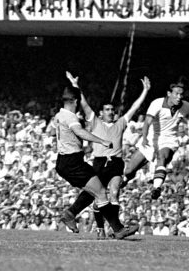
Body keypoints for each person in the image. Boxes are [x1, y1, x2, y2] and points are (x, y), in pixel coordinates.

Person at [66, 72, 151, 238]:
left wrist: (145, 91)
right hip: (100, 162)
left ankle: (116, 228)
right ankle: (100, 227)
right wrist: (75, 85)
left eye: (112, 110)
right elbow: (83, 103)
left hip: (116, 163)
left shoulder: (120, 123)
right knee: (98, 196)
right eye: (107, 110)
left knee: (114, 192)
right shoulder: (95, 122)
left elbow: (134, 108)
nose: (111, 112)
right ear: (101, 112)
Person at [47, 84, 136, 239]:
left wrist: (75, 85)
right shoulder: (70, 116)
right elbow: (80, 132)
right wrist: (101, 141)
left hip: (64, 161)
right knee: (101, 192)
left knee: (94, 191)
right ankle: (118, 229)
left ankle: (71, 214)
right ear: (74, 101)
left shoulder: (59, 115)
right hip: (72, 162)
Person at [123, 80, 189, 200]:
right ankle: (126, 179)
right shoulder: (157, 103)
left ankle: (156, 188)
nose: (179, 97)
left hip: (169, 139)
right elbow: (147, 122)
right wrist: (145, 138)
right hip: (151, 137)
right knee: (129, 170)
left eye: (181, 94)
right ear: (169, 93)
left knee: (162, 158)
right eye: (176, 94)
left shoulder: (185, 106)